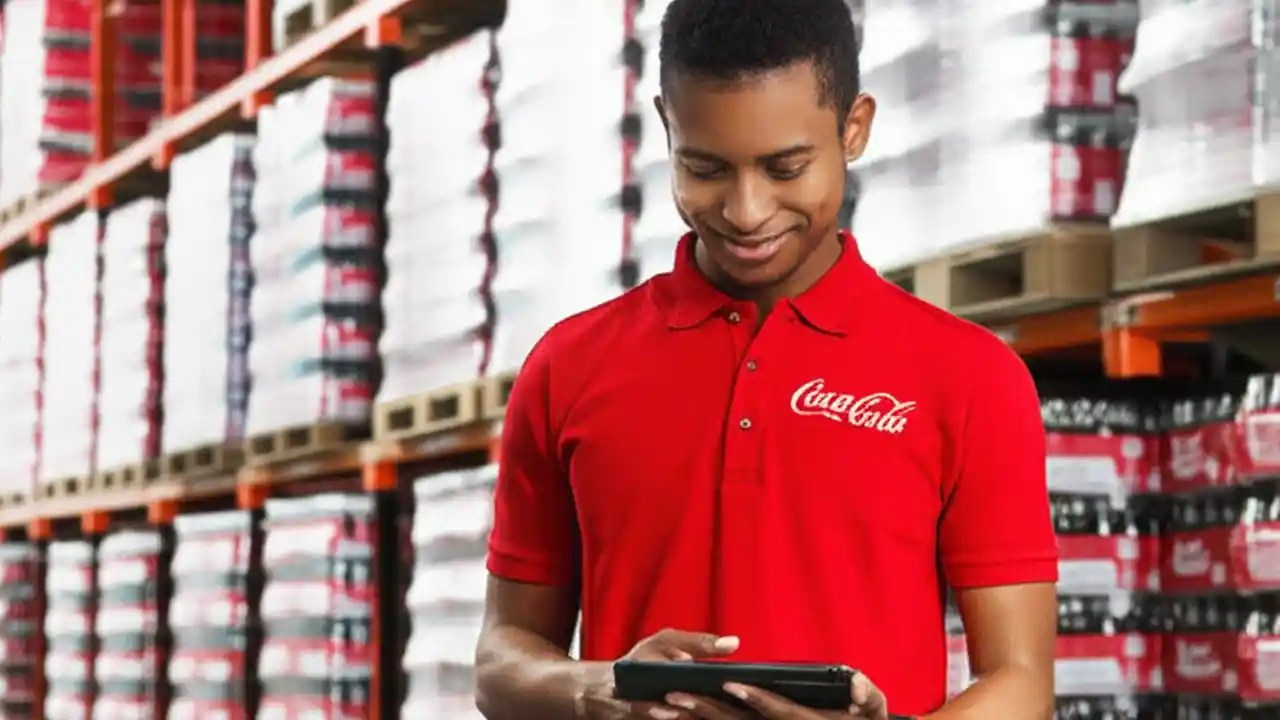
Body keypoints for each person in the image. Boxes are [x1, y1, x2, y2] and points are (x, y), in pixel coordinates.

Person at [474, 0, 1059, 718]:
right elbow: (502, 655)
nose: (746, 211)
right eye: (706, 168)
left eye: (785, 168)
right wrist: (598, 689)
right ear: (667, 128)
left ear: (854, 129)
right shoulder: (568, 366)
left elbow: (1023, 681)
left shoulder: (971, 377)